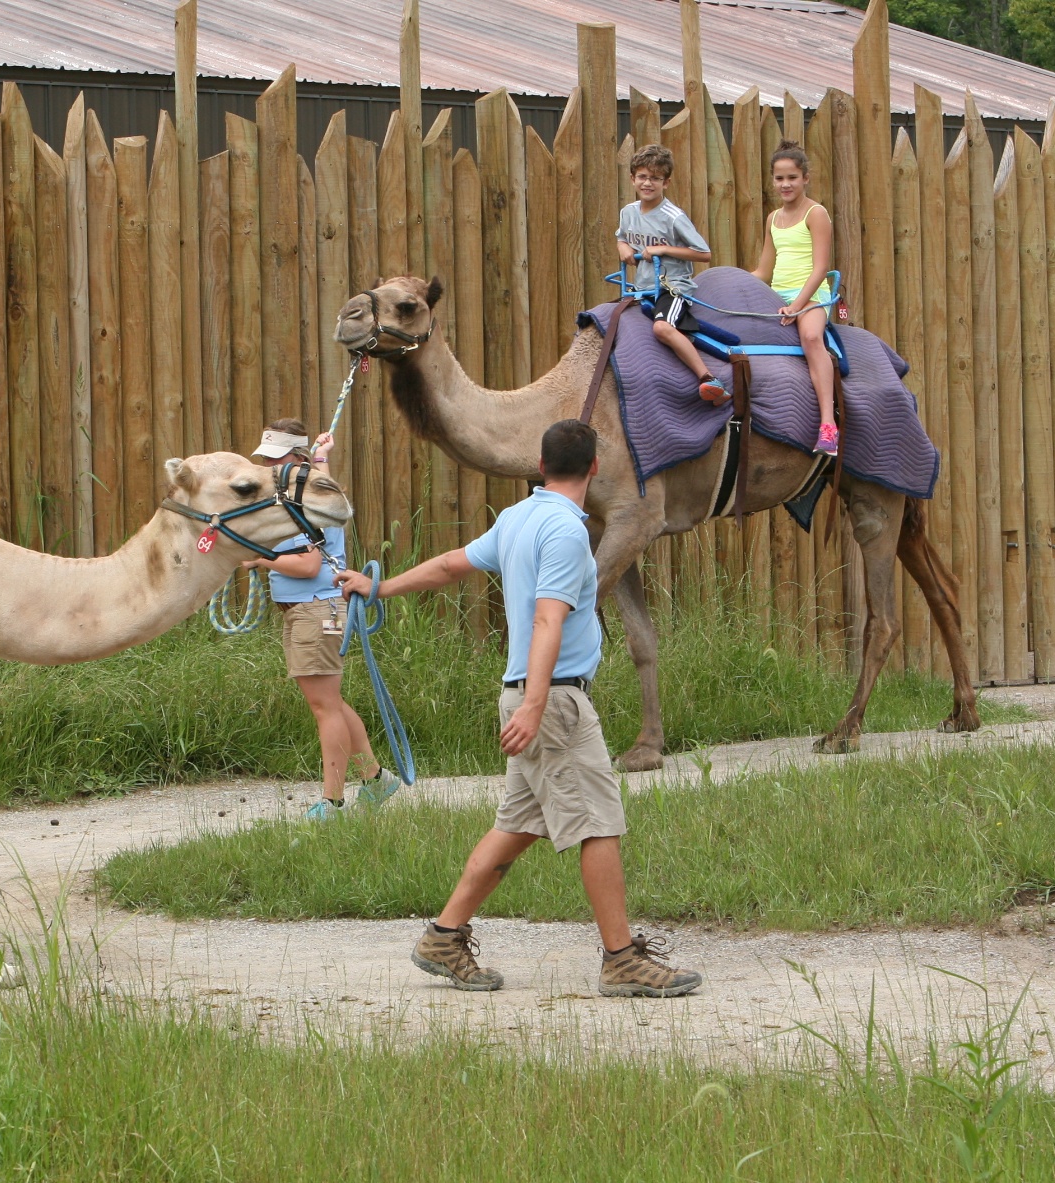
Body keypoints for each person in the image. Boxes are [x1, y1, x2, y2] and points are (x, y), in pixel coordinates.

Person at [335, 420, 701, 998]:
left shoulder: (517, 519)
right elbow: (548, 618)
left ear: (540, 464)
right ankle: (621, 960)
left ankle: (443, 936)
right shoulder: (563, 530)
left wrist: (382, 588)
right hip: (551, 698)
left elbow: (453, 564)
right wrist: (535, 705)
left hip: (531, 696)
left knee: (518, 825)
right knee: (599, 824)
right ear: (595, 468)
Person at [240, 419, 401, 821]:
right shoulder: (305, 493)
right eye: (268, 460)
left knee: (324, 707)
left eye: (279, 459)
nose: (272, 466)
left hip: (318, 607)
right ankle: (376, 779)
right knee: (329, 702)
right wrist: (323, 456)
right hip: (310, 610)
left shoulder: (307, 501)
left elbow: (310, 564)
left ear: (297, 458)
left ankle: (332, 802)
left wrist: (261, 557)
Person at [617, 144, 724, 406]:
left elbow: (704, 253)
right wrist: (624, 249)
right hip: (641, 287)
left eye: (655, 178)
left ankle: (708, 378)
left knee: (662, 328)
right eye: (642, 176)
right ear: (632, 179)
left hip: (671, 287)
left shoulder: (673, 217)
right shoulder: (628, 212)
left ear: (666, 182)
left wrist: (664, 248)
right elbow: (621, 237)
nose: (647, 183)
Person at [753, 140, 841, 455]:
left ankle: (829, 426)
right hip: (777, 295)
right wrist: (731, 281)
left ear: (805, 178)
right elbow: (764, 270)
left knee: (811, 336)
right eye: (779, 178)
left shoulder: (815, 213)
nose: (785, 184)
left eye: (792, 177)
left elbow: (820, 269)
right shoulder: (773, 218)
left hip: (811, 295)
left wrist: (798, 305)